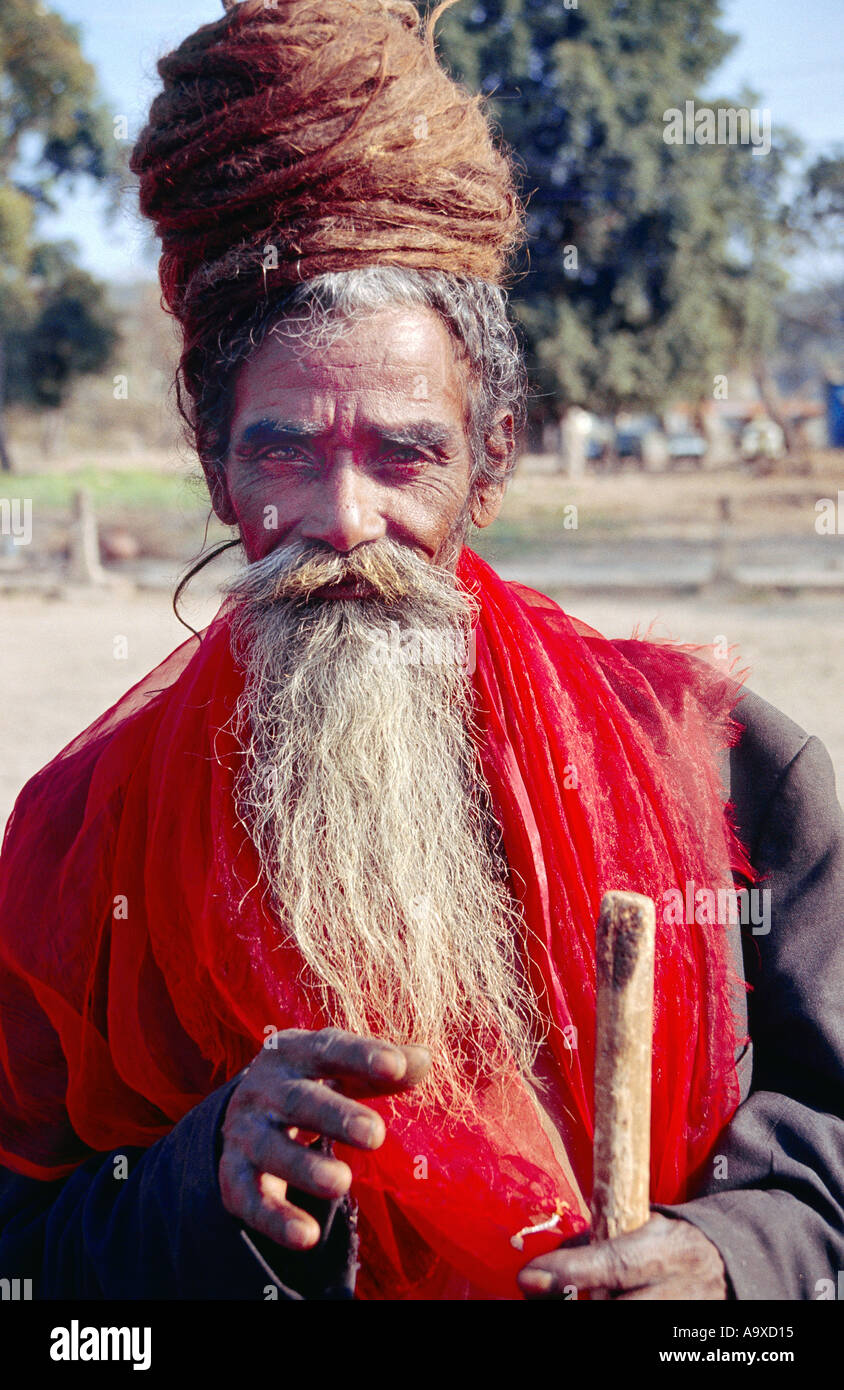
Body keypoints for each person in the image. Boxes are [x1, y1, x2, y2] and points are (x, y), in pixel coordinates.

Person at [0, 0, 841, 1302]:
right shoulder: (73, 839)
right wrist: (195, 1179)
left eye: (404, 453)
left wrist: (732, 1260)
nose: (344, 522)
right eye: (284, 451)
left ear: (491, 461)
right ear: (219, 469)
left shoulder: (731, 774)